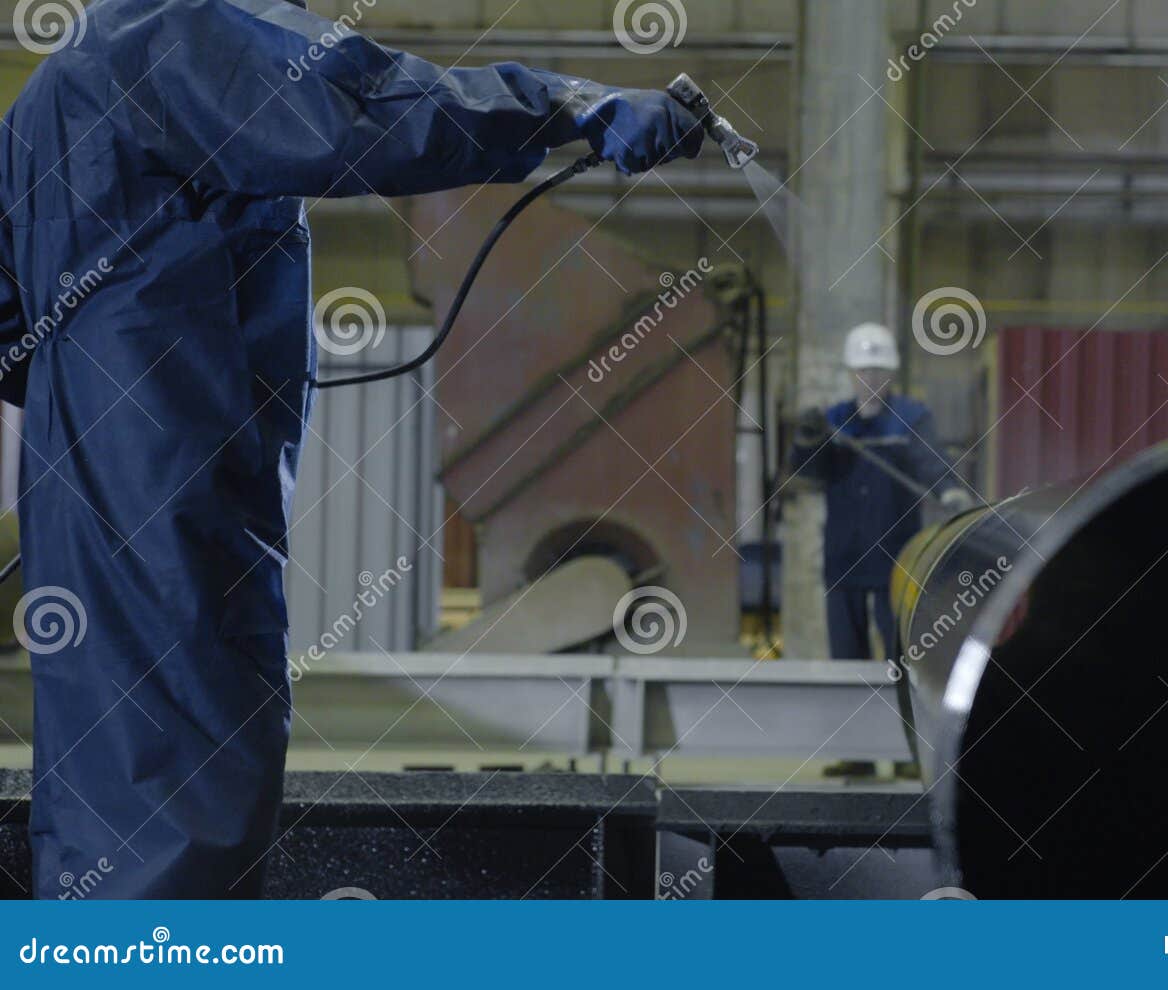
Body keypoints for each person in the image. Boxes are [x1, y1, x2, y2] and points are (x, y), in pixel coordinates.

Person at [0, 0, 702, 899]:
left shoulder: (56, 83)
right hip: (176, 481)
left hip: (86, 488)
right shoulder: (182, 33)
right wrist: (568, 107)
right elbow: (364, 106)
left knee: (106, 769)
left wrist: (82, 409)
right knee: (182, 774)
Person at [791, 323, 973, 662]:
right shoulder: (834, 420)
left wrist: (950, 491)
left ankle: (898, 714)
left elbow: (931, 460)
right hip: (844, 557)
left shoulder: (910, 418)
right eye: (863, 370)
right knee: (846, 661)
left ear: (891, 373)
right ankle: (849, 715)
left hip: (896, 557)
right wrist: (805, 440)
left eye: (879, 370)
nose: (871, 378)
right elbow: (808, 474)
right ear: (851, 373)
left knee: (900, 658)